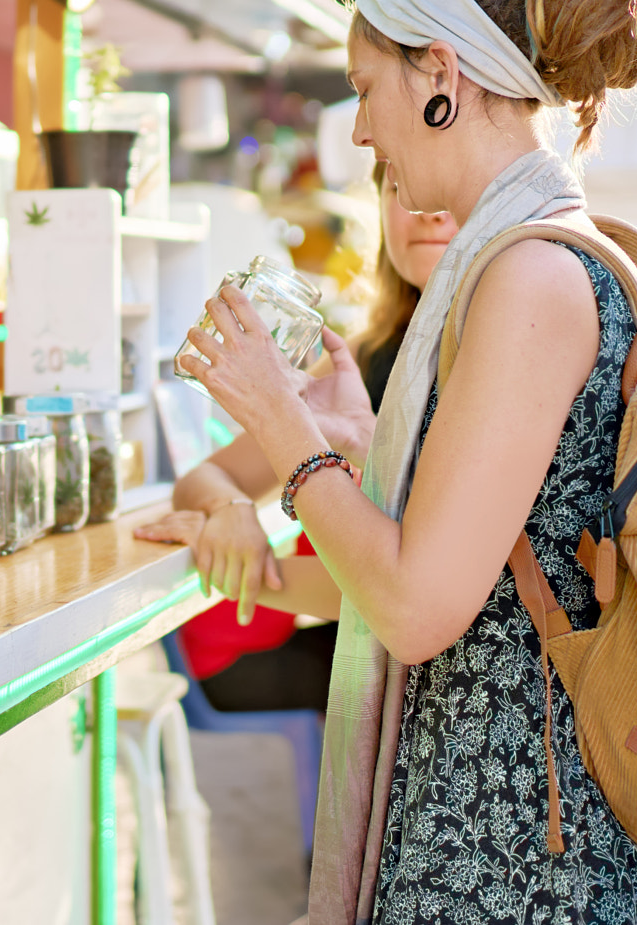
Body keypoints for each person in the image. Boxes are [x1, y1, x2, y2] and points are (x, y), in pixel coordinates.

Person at [178, 0, 637, 925]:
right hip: (521, 837)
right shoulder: (545, 256)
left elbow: (416, 610)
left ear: (439, 76)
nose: (360, 131)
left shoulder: (528, 278)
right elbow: (482, 590)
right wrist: (346, 447)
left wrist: (282, 427)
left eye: (365, 87)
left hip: (515, 862)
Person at [137, 164, 454, 714]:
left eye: (447, 185)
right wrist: (231, 510)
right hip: (369, 655)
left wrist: (243, 569)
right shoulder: (357, 362)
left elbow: (420, 590)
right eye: (398, 187)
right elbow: (203, 479)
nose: (427, 209)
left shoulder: (495, 365)